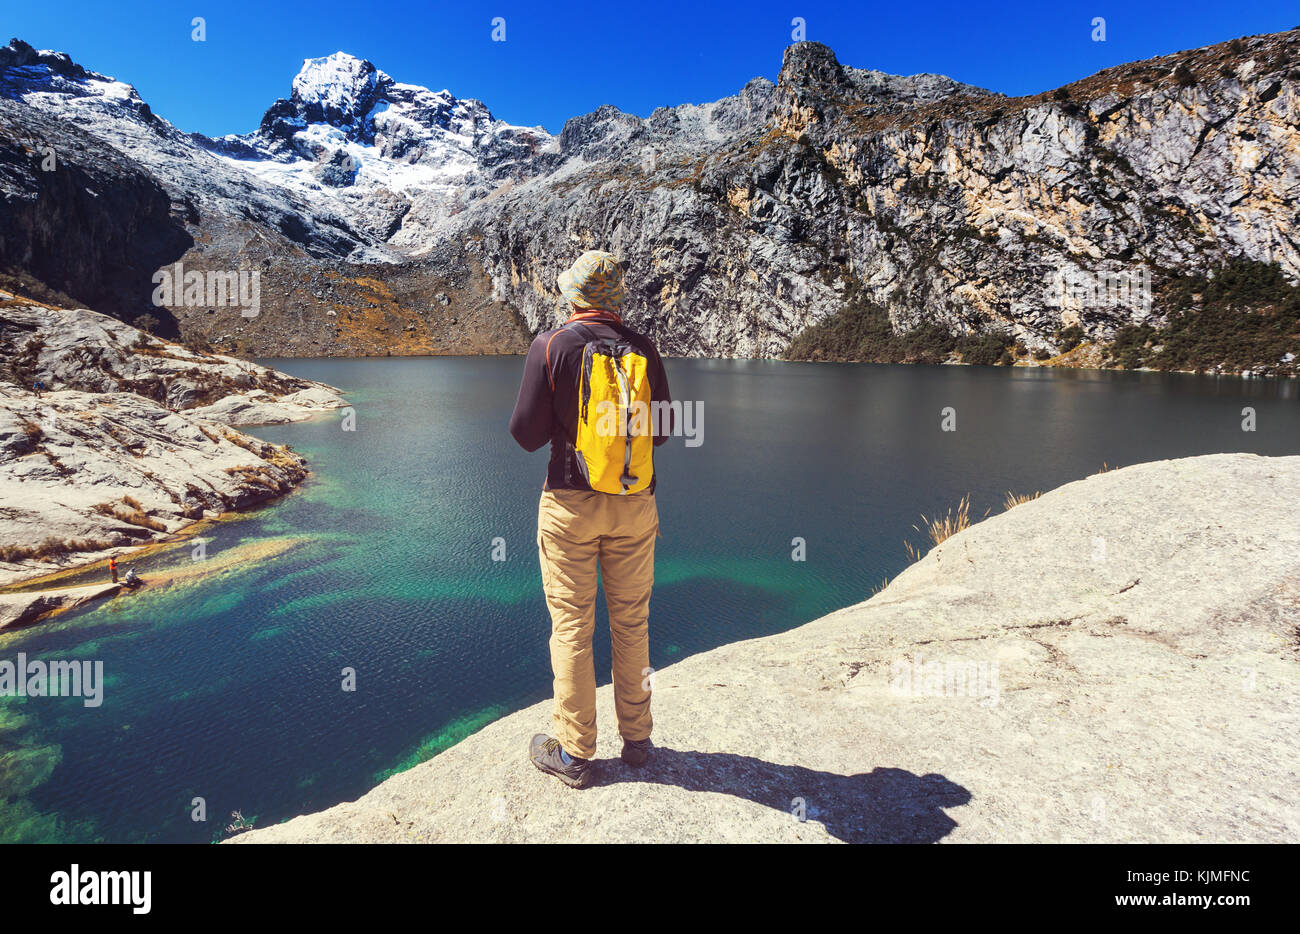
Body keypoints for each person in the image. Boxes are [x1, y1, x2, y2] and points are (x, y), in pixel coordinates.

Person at [509, 250, 673, 789]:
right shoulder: (643, 349)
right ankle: (639, 741)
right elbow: (664, 431)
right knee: (632, 623)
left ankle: (576, 753)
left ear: (573, 295)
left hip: (570, 508)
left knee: (573, 628)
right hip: (635, 504)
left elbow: (526, 435)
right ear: (616, 300)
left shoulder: (552, 346)